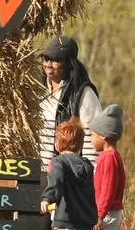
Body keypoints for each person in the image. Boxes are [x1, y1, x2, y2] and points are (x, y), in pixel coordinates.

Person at [37, 35, 103, 176]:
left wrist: (88, 177)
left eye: (56, 60)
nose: (48, 64)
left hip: (68, 176)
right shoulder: (38, 91)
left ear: (69, 64)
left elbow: (93, 139)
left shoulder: (84, 93)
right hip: (38, 174)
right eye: (46, 59)